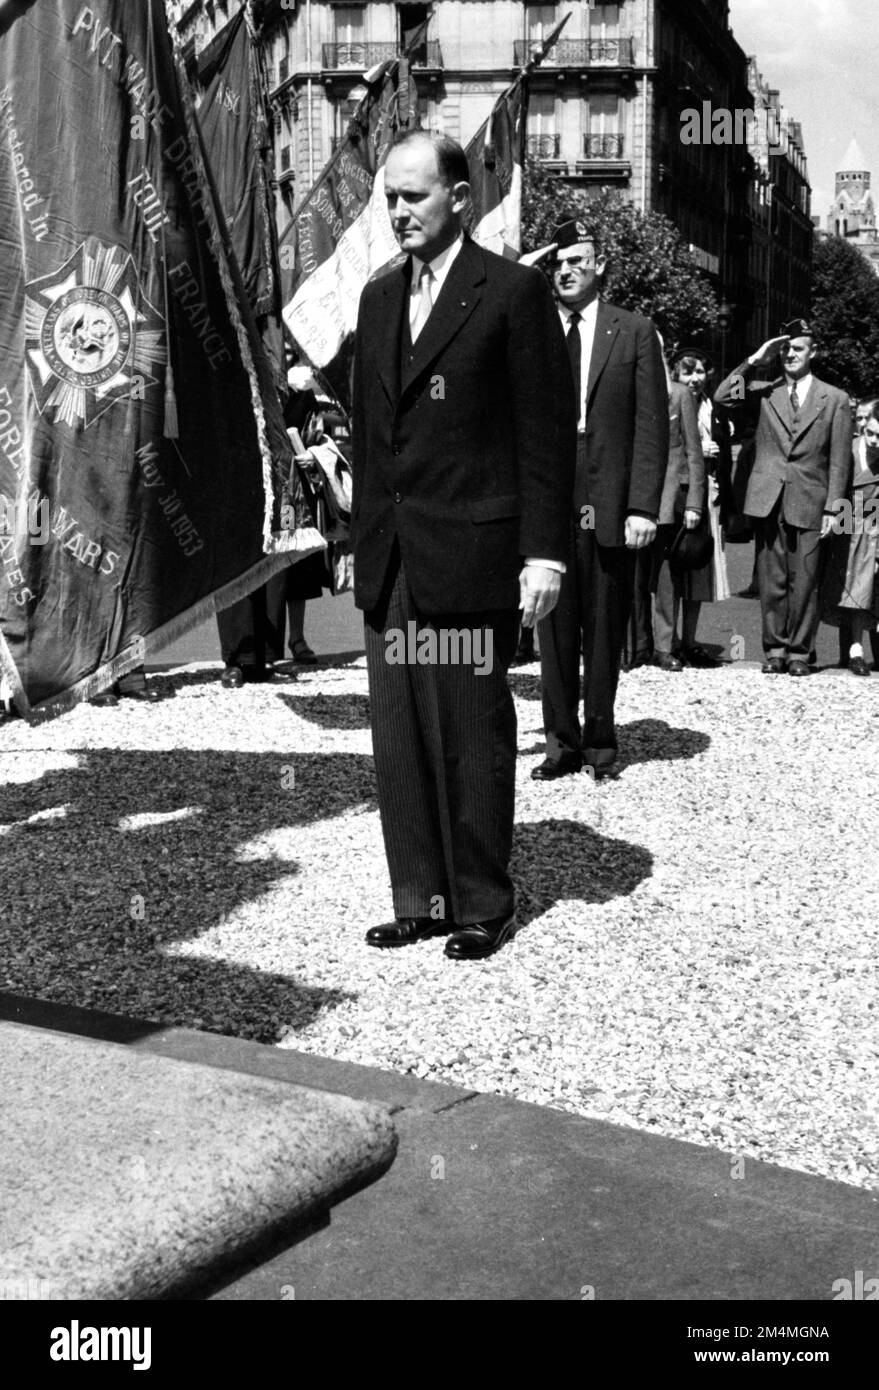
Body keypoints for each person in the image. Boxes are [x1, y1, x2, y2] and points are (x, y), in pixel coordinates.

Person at [351, 131, 575, 961]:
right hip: (393, 556)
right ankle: (420, 894)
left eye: (414, 195)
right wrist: (358, 537)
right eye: (390, 198)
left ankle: (482, 899)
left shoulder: (512, 294)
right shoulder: (378, 299)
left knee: (472, 731)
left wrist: (543, 554)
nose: (399, 211)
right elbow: (372, 435)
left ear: (459, 197)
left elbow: (544, 437)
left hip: (473, 554)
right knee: (400, 734)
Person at [532, 217, 668, 779]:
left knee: (604, 624)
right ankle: (560, 744)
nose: (565, 271)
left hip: (610, 493)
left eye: (576, 262)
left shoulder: (633, 331)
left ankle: (601, 743)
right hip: (550, 494)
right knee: (553, 623)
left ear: (600, 268)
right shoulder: (534, 328)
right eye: (557, 264)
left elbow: (652, 426)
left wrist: (642, 506)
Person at [714, 320, 851, 676]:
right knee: (772, 580)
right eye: (786, 349)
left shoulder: (834, 399)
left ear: (813, 352)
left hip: (811, 499)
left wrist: (835, 509)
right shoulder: (764, 391)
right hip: (768, 499)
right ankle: (774, 650)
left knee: (805, 581)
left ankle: (800, 653)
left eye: (798, 349)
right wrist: (755, 360)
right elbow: (723, 396)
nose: (791, 355)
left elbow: (839, 459)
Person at [672, 350, 733, 648]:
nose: (695, 379)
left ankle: (689, 638)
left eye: (699, 372)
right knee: (673, 569)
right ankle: (667, 638)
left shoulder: (712, 406)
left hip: (709, 494)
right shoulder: (671, 401)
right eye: (687, 372)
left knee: (699, 567)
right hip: (680, 494)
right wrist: (698, 449)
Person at [651, 375, 706, 669]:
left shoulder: (680, 394)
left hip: (666, 497)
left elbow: (693, 451)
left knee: (665, 574)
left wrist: (694, 501)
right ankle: (632, 646)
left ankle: (664, 645)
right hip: (629, 493)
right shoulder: (626, 384)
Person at [822, 404, 879, 675]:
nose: (874, 441)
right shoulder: (850, 451)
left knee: (868, 587)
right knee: (849, 585)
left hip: (874, 526)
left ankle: (865, 652)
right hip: (847, 522)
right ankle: (853, 651)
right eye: (871, 433)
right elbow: (838, 490)